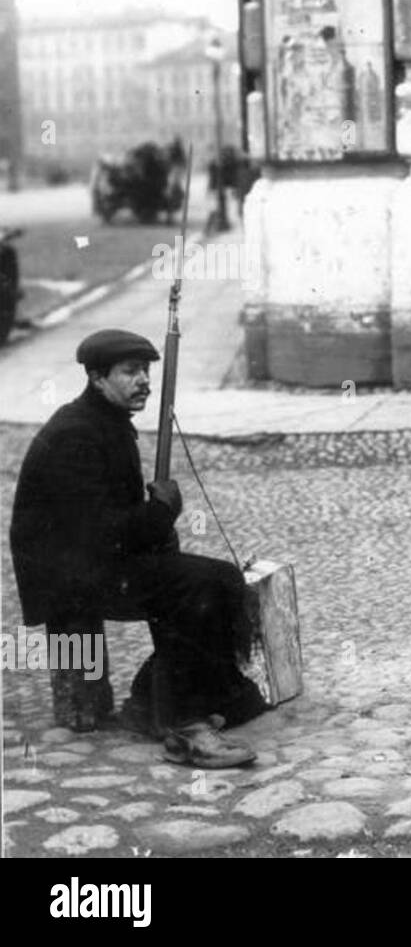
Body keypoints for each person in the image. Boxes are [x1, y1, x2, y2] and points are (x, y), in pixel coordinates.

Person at [9, 329, 265, 767]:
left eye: (145, 370)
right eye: (130, 372)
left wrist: (156, 523)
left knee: (219, 577)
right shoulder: (76, 435)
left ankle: (153, 698)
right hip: (69, 579)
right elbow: (98, 533)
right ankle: (184, 726)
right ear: (96, 377)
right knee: (194, 588)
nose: (143, 380)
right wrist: (160, 512)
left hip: (97, 564)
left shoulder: (104, 422)